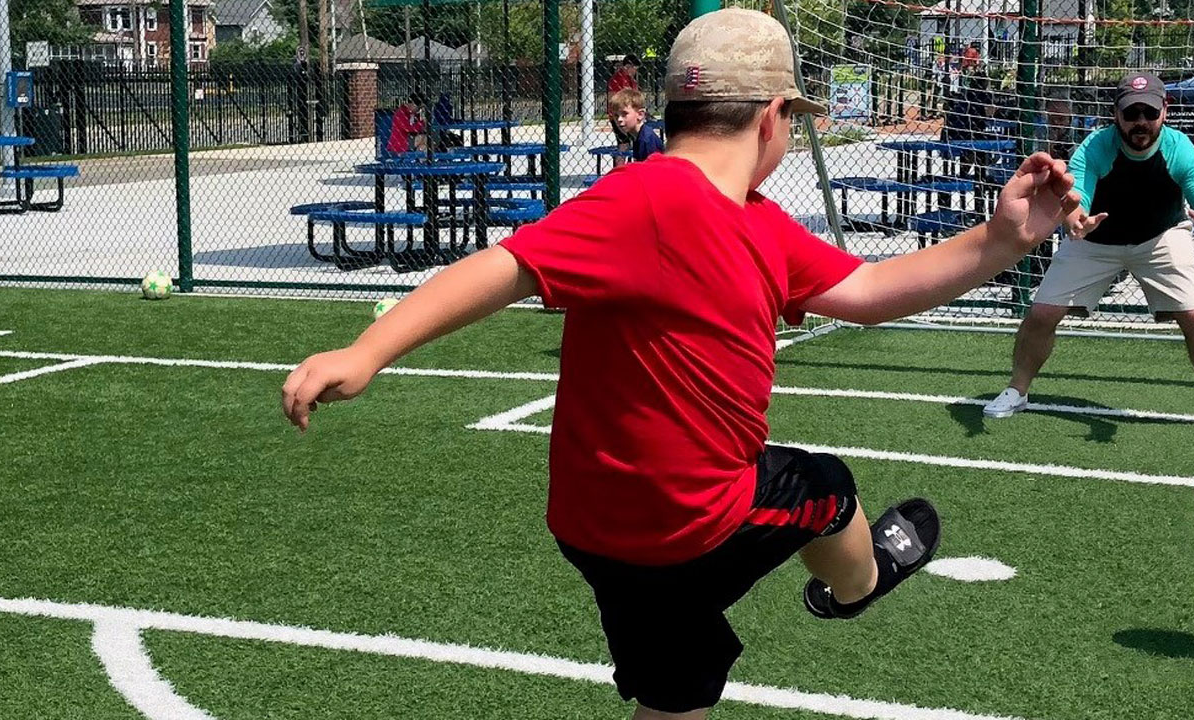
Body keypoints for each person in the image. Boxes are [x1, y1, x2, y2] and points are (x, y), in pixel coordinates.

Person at [280, 8, 1079, 718]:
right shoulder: (650, 199)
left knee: (677, 690)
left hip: (595, 528)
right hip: (693, 521)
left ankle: (788, 616)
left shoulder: (743, 220)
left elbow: (867, 288)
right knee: (827, 489)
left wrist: (1001, 241)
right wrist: (367, 351)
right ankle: (857, 586)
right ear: (774, 119)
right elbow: (506, 266)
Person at [981, 71, 1194, 437]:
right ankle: (1017, 390)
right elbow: (1077, 198)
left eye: (1149, 112)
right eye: (1131, 113)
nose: (1140, 121)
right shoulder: (1095, 146)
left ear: (1165, 111)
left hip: (1161, 237)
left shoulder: (1180, 148)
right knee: (1043, 312)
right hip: (1095, 239)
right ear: (1116, 114)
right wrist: (1076, 220)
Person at [607, 87, 664, 162]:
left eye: (624, 114)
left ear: (640, 115)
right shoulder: (637, 136)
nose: (619, 119)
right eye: (616, 115)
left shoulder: (646, 141)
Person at [607, 57, 643, 168]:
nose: (635, 71)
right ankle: (619, 168)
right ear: (627, 67)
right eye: (634, 68)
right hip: (619, 115)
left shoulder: (631, 80)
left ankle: (630, 167)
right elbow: (612, 99)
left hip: (630, 115)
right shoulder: (617, 79)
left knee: (635, 141)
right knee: (624, 142)